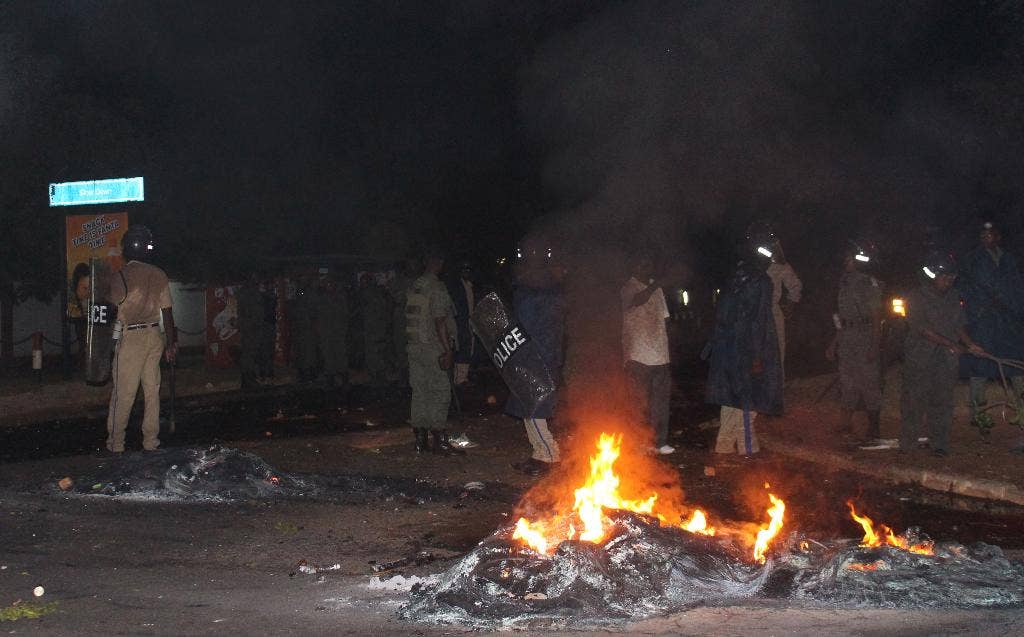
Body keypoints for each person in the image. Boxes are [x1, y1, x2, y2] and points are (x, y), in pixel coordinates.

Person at [706, 224, 783, 457]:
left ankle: (724, 448)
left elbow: (724, 314)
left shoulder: (736, 275)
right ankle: (748, 452)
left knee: (731, 399)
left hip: (727, 348)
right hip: (745, 349)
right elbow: (758, 321)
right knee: (749, 401)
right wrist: (757, 357)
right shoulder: (760, 281)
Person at [901, 252, 986, 457]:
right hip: (920, 356)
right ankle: (908, 444)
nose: (949, 281)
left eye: (952, 278)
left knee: (943, 400)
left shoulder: (953, 296)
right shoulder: (915, 297)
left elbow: (958, 325)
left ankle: (939, 444)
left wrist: (971, 344)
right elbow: (923, 329)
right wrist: (952, 344)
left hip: (946, 359)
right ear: (934, 275)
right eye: (945, 277)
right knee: (914, 400)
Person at [104, 225, 177, 454]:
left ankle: (116, 443)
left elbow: (109, 310)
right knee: (152, 391)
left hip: (131, 339)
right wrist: (171, 343)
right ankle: (150, 442)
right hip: (154, 336)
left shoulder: (120, 276)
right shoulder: (159, 274)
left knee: (124, 394)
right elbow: (167, 313)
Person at [957, 221, 1024, 425]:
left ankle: (1021, 409)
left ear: (998, 237)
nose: (985, 238)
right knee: (980, 364)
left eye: (989, 235)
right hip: (983, 320)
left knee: (1015, 364)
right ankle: (978, 413)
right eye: (983, 235)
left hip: (1007, 321)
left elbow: (1017, 287)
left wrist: (1013, 309)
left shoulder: (1008, 259)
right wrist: (979, 308)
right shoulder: (973, 259)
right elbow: (966, 288)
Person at [508, 235, 564, 475]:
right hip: (536, 356)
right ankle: (539, 453)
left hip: (537, 357)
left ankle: (550, 455)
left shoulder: (537, 293)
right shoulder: (537, 291)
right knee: (528, 407)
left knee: (534, 408)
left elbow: (527, 326)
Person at [826, 240, 884, 444]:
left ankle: (874, 427)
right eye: (845, 258)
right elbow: (839, 316)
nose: (846, 261)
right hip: (847, 335)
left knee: (869, 381)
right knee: (847, 381)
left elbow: (876, 316)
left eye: (850, 258)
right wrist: (834, 343)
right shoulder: (843, 282)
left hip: (864, 334)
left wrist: (874, 344)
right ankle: (846, 422)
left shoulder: (869, 283)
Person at [405, 249, 462, 455]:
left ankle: (420, 440)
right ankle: (439, 440)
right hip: (433, 348)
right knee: (440, 391)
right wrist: (447, 350)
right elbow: (440, 321)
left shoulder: (416, 286)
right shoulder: (436, 287)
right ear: (437, 263)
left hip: (415, 348)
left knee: (420, 392)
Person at [621, 253, 674, 455]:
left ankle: (659, 442)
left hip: (660, 354)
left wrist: (668, 346)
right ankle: (638, 442)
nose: (647, 268)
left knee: (660, 402)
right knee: (639, 402)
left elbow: (665, 318)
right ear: (634, 267)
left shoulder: (657, 289)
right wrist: (655, 285)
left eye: (649, 265)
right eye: (642, 264)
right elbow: (638, 300)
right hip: (637, 355)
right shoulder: (628, 287)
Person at [765, 240, 802, 366]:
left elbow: (795, 286)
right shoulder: (749, 258)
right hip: (749, 313)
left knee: (776, 357)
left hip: (771, 313)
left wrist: (789, 306)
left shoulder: (777, 261)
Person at [313, 270, 349, 390]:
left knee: (340, 354)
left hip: (338, 331)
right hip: (326, 331)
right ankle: (330, 378)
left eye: (330, 283)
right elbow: (317, 315)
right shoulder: (321, 298)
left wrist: (343, 329)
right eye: (326, 284)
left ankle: (344, 377)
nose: (328, 286)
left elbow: (345, 314)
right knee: (328, 355)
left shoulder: (340, 297)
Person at [447, 261, 477, 386]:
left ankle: (461, 377)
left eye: (468, 270)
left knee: (467, 348)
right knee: (463, 347)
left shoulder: (469, 285)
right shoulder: (456, 286)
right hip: (460, 321)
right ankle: (460, 379)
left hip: (468, 321)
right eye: (464, 270)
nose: (466, 272)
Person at [236, 272, 264, 390]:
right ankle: (248, 379)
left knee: (250, 353)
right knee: (249, 354)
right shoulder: (250, 293)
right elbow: (252, 312)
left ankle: (248, 379)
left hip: (250, 326)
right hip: (251, 327)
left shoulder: (246, 292)